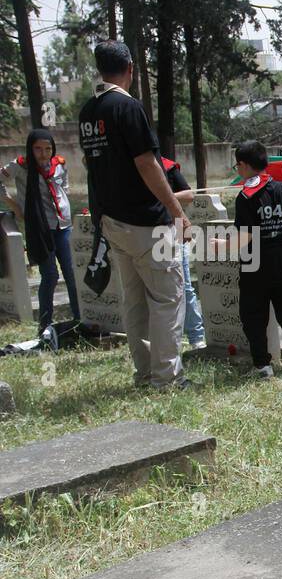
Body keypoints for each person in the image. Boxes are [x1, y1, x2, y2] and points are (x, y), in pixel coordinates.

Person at [78, 40, 194, 389]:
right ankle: (166, 378)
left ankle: (145, 372)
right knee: (167, 298)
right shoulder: (127, 108)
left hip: (113, 221)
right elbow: (147, 164)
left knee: (134, 300)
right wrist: (179, 215)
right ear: (130, 68)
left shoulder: (89, 111)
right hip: (146, 222)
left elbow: (91, 165)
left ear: (101, 69)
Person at [226, 140, 282, 379]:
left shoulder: (246, 196)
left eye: (238, 166)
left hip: (255, 266)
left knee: (254, 317)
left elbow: (244, 238)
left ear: (243, 165)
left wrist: (220, 246)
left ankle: (263, 366)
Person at [2, 129, 77, 330]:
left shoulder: (59, 164)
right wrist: (15, 205)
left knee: (71, 273)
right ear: (30, 149)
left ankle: (79, 319)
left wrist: (65, 201)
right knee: (50, 275)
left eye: (47, 148)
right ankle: (45, 324)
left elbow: (64, 187)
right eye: (38, 149)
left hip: (63, 224)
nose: (43, 154)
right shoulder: (22, 166)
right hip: (40, 228)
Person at [160, 156, 204, 347]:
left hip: (175, 227)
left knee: (184, 285)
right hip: (149, 230)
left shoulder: (168, 166)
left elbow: (188, 195)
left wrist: (161, 196)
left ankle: (196, 337)